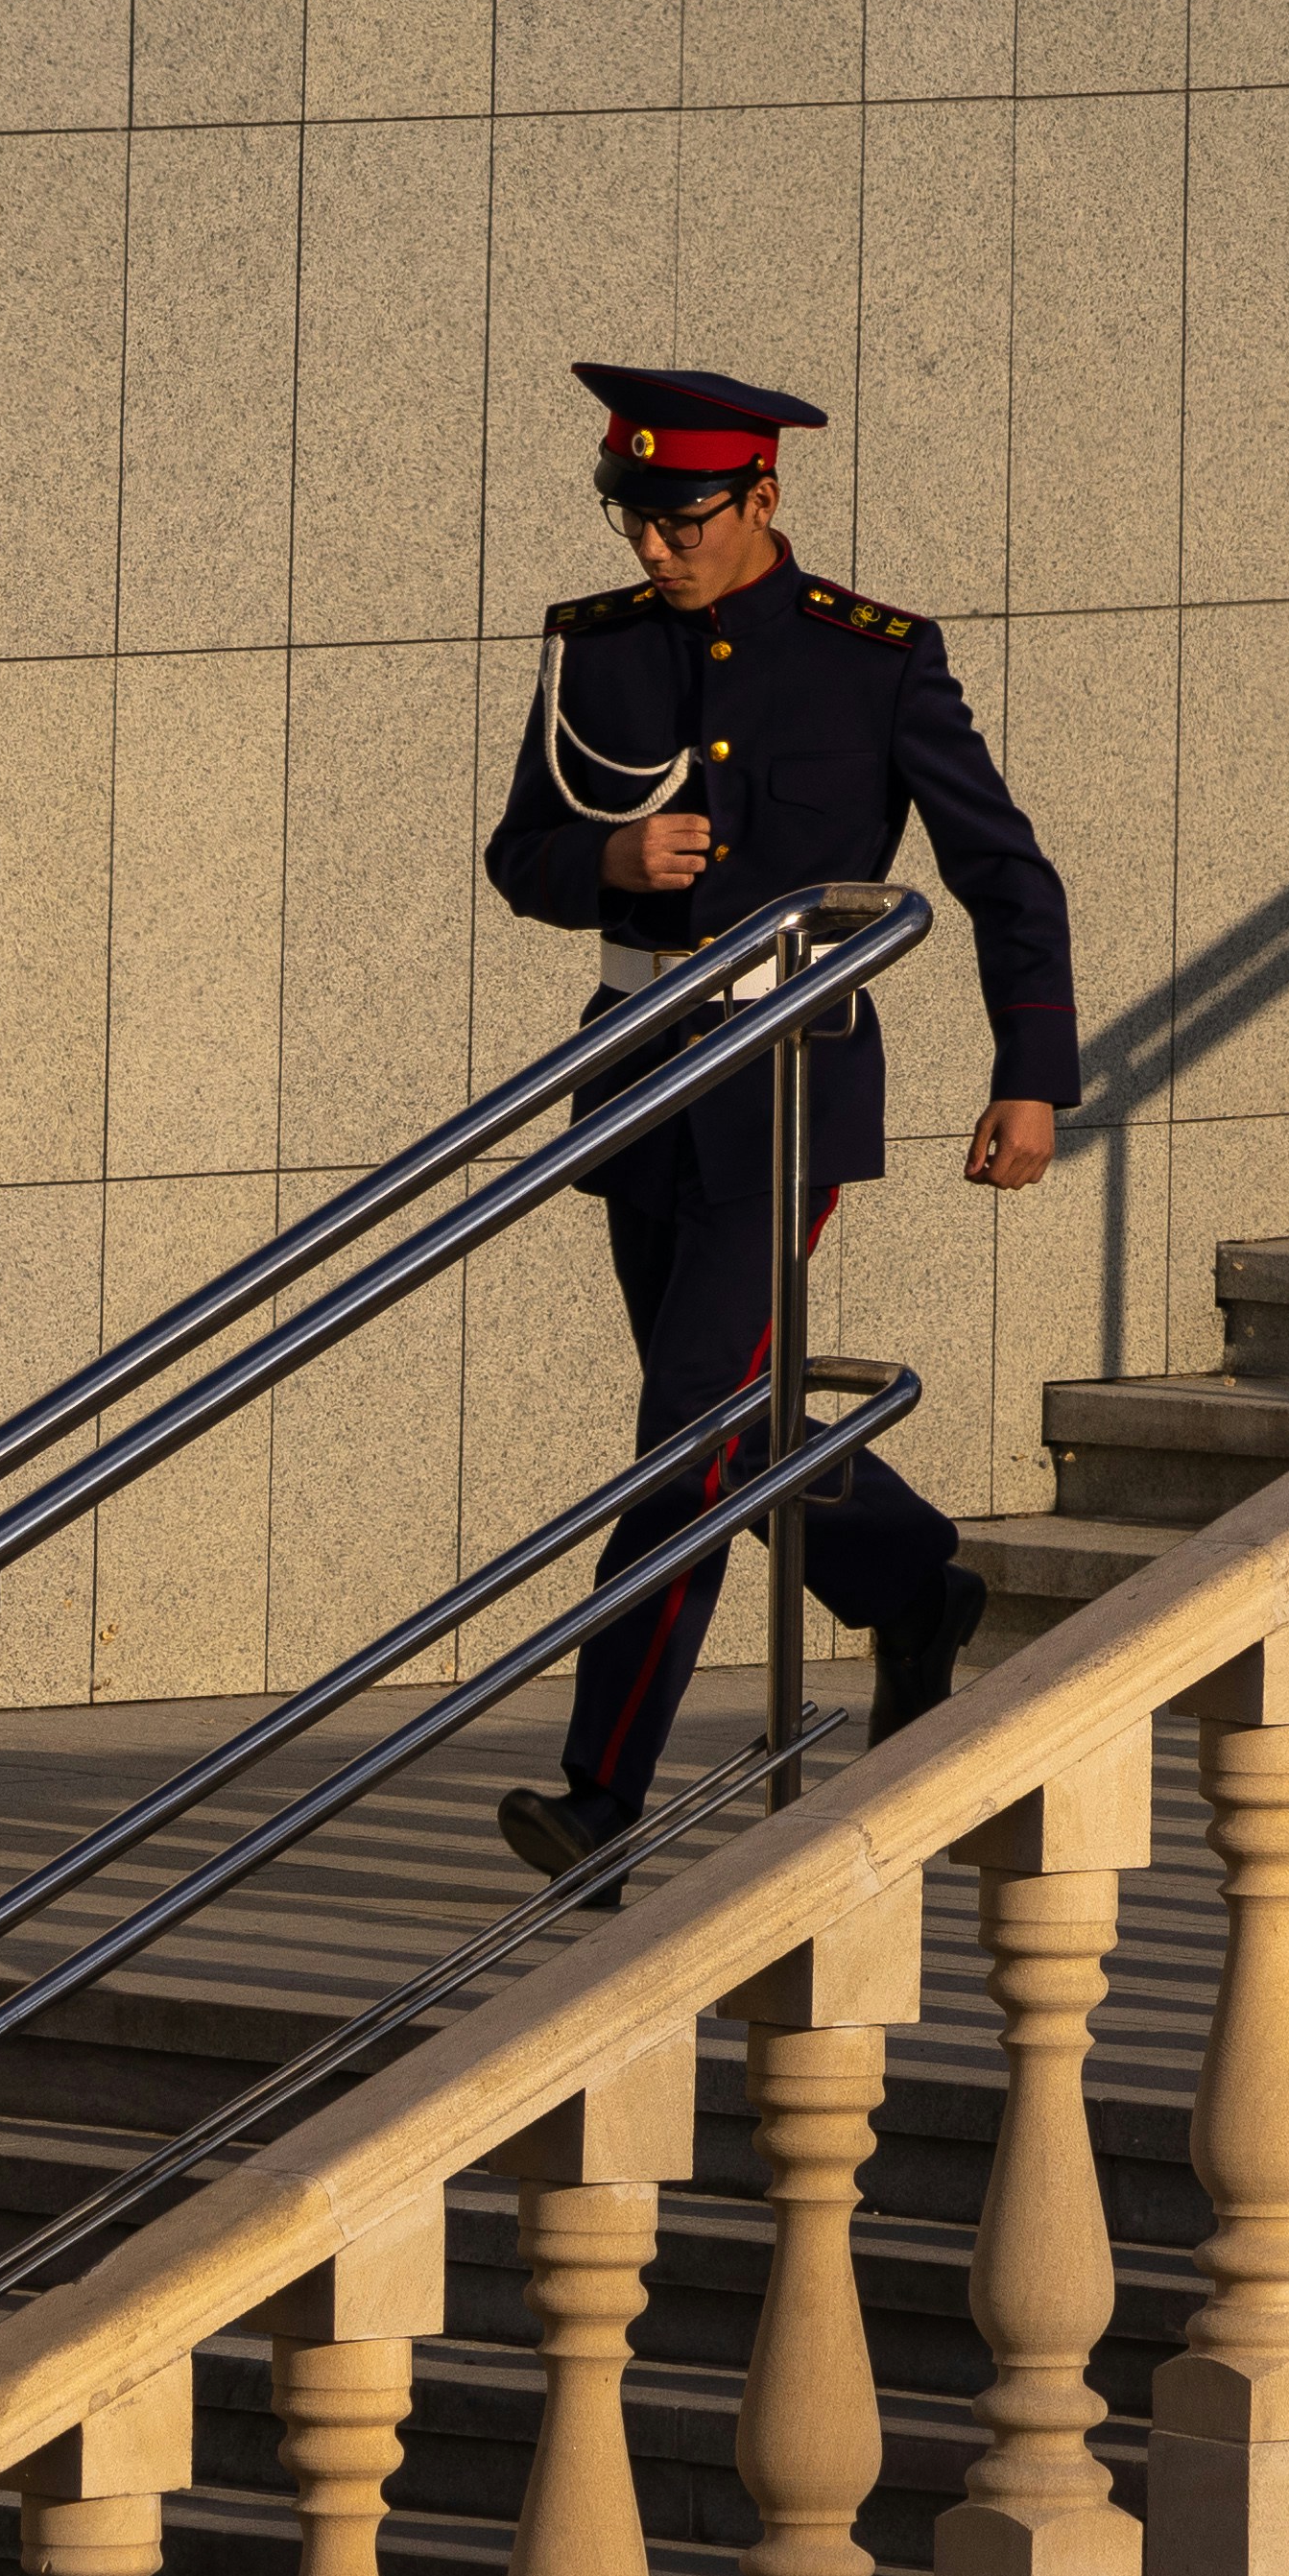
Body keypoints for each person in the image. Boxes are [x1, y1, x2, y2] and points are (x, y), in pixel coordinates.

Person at [480, 360, 1078, 1889]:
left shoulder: (872, 659)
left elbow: (1008, 874)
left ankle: (600, 1794)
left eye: (681, 519)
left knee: (684, 1428)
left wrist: (1029, 1075)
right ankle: (907, 1581)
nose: (651, 551)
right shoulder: (596, 654)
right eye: (632, 518)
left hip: (789, 1078)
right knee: (726, 1425)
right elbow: (518, 856)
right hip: (635, 1074)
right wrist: (609, 859)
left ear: (762, 501)